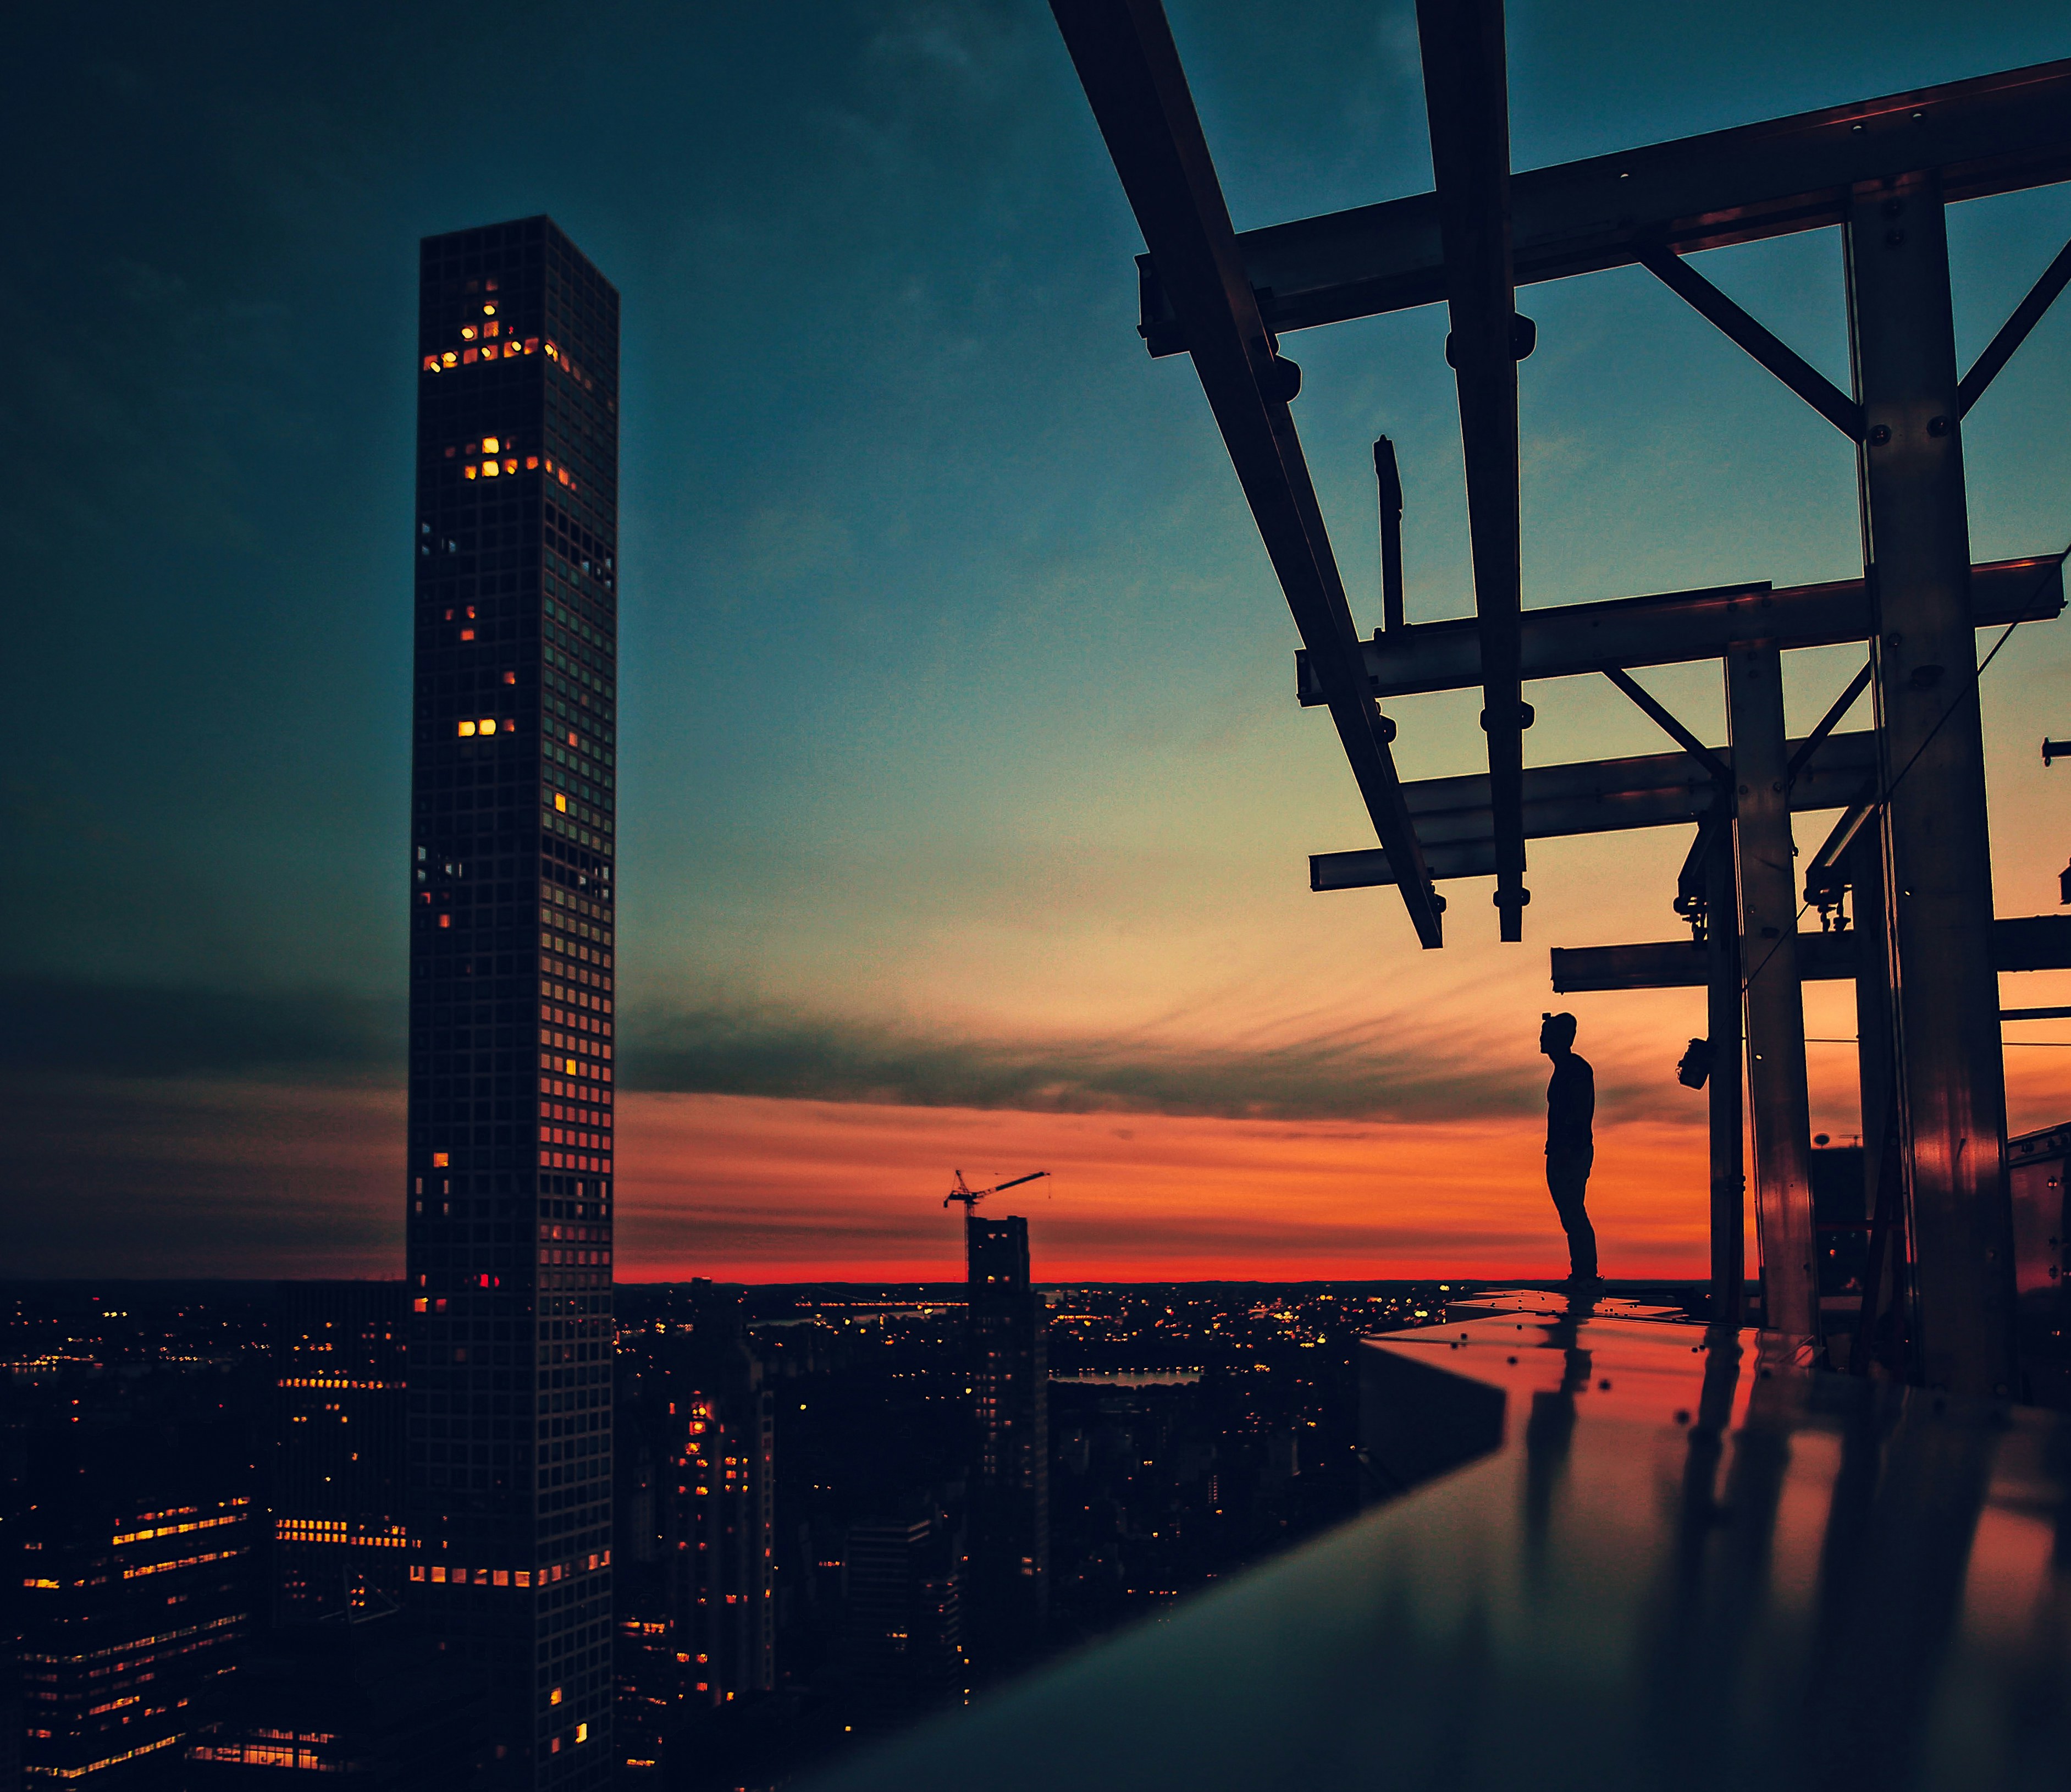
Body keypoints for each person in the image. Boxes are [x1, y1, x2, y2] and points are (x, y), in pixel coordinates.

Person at [1540, 1012, 1598, 1285]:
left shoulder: (1576, 1069)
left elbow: (1578, 1111)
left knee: (1573, 1211)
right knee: (1570, 1212)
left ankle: (1585, 1273)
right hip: (1563, 1149)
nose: (1542, 1038)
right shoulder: (1566, 1068)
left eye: (1547, 1033)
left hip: (1570, 1151)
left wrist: (1566, 1148)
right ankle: (1582, 1272)